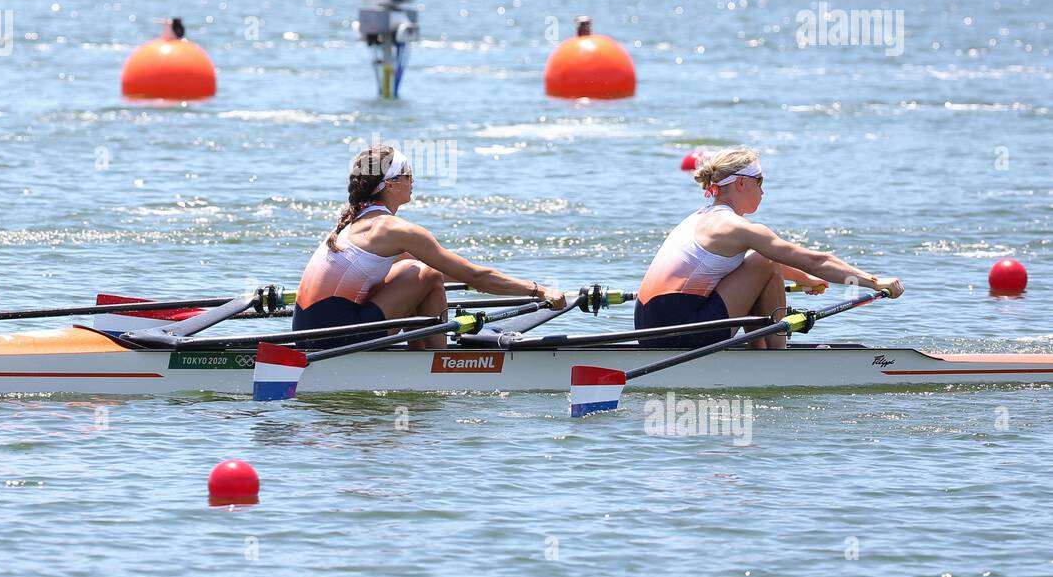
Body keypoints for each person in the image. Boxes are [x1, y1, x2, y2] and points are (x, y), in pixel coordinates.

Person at [293, 145, 567, 349]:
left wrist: (499, 282)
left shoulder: (354, 225)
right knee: (427, 274)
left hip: (306, 332)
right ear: (389, 184)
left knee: (420, 271)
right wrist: (538, 290)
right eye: (408, 175)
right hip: (334, 340)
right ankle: (439, 364)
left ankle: (426, 357)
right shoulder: (393, 229)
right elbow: (474, 277)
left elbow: (461, 274)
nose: (413, 181)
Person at [634, 148, 904, 350]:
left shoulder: (700, 218)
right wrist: (875, 281)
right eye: (759, 181)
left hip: (648, 325)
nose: (763, 191)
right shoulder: (735, 227)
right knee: (765, 261)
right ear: (741, 182)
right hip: (680, 329)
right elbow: (816, 261)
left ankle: (762, 352)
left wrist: (803, 279)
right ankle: (777, 356)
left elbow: (754, 264)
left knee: (763, 261)